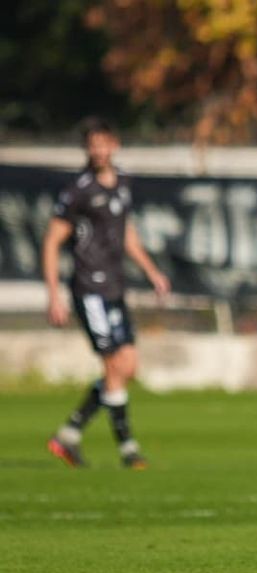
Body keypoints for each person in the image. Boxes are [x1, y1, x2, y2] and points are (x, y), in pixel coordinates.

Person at [42, 117, 170, 470]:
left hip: (114, 287)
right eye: (91, 144)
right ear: (87, 148)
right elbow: (52, 241)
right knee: (113, 364)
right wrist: (53, 294)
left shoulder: (123, 183)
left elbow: (126, 232)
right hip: (88, 289)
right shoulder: (77, 191)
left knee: (128, 366)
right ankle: (128, 448)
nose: (97, 150)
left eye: (103, 142)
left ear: (114, 144)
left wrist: (151, 270)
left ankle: (68, 435)